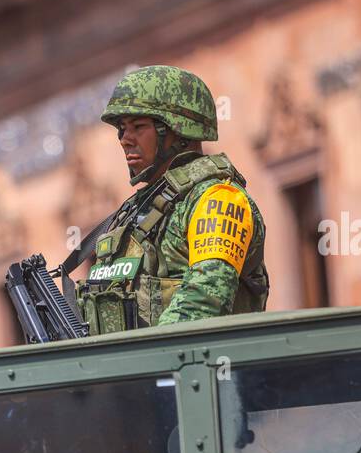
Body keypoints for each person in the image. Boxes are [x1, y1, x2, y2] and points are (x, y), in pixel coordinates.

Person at [75, 65, 270, 332]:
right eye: (122, 129)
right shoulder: (135, 211)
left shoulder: (219, 201)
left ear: (178, 131)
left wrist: (142, 359)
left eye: (138, 127)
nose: (125, 139)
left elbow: (205, 300)